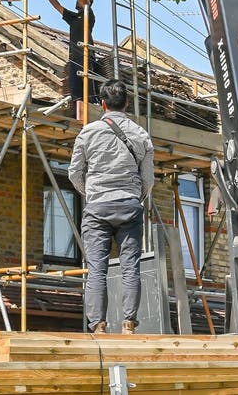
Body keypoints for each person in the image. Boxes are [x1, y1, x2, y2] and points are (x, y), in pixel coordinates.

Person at [68, 78, 154, 334]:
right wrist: (134, 197)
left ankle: (98, 325)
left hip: (97, 208)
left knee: (96, 269)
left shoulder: (89, 132)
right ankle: (128, 323)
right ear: (127, 103)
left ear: (102, 104)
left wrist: (91, 194)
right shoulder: (140, 134)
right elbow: (148, 179)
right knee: (130, 267)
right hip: (129, 205)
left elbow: (74, 173)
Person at [43, 0, 98, 105]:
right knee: (75, 92)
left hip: (85, 56)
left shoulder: (88, 15)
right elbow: (57, 6)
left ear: (88, 3)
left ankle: (90, 110)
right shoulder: (73, 17)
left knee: (88, 91)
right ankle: (77, 114)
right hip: (73, 58)